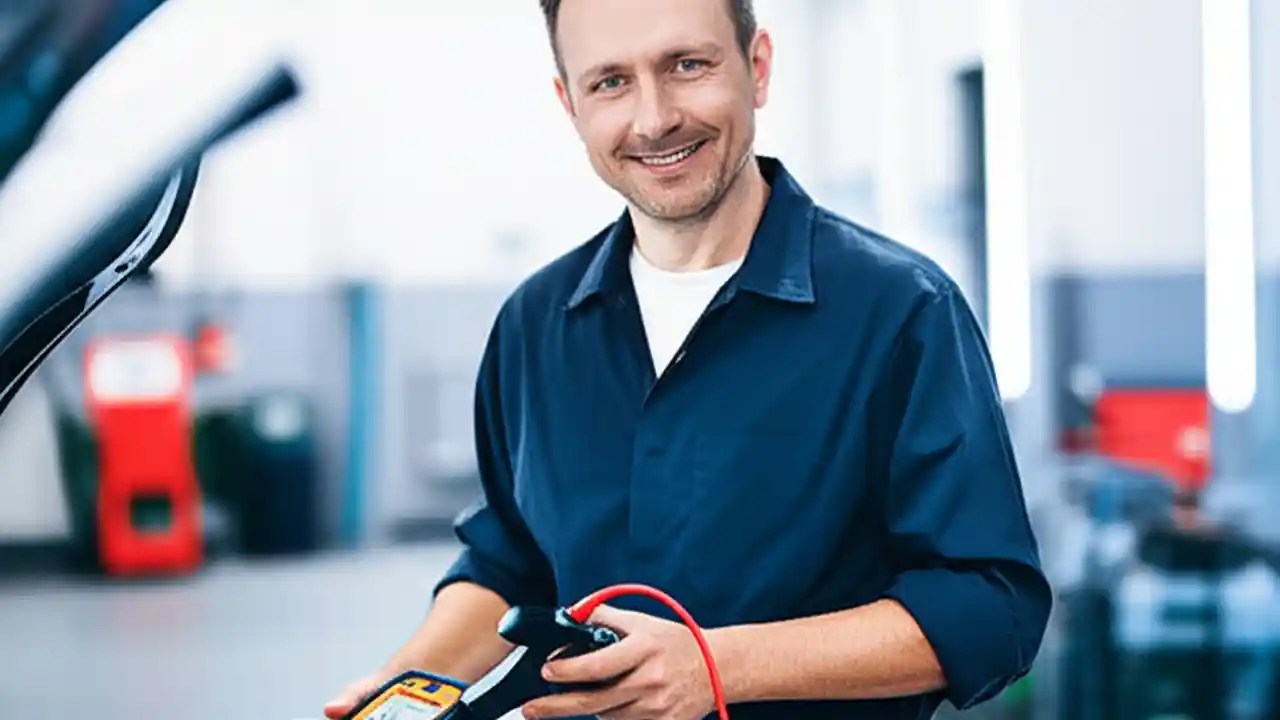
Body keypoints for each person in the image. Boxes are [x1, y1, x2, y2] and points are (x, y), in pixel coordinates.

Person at [324, 0, 1051, 718]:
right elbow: (511, 562)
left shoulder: (900, 312)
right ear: (569, 106)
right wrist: (400, 684)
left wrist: (718, 667)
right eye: (610, 82)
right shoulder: (535, 324)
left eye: (688, 65)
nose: (654, 118)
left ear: (756, 68)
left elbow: (991, 608)